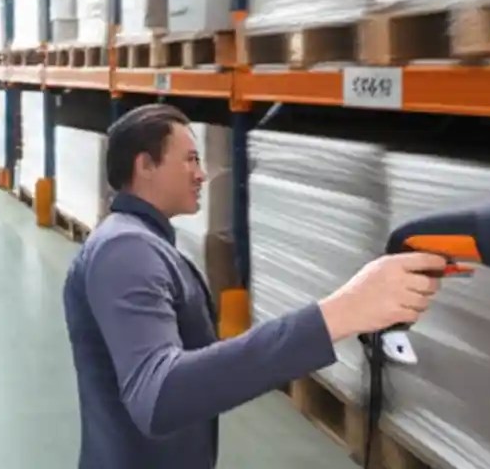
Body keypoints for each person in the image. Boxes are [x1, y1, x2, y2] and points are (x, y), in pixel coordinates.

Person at [63, 104, 446, 469]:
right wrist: (340, 313)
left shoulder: (142, 241)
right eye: (190, 159)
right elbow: (160, 395)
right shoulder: (125, 250)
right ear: (145, 165)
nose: (202, 174)